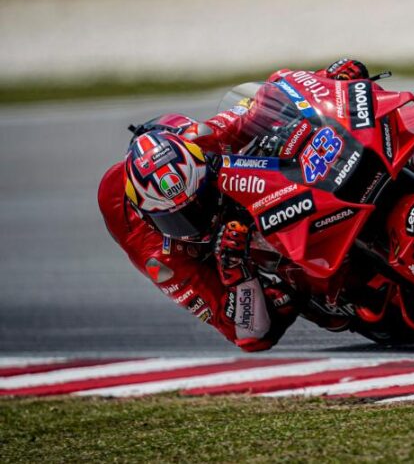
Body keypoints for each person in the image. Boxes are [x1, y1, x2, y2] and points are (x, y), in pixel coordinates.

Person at [97, 58, 370, 351]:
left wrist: (327, 79)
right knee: (281, 304)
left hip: (192, 150)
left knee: (282, 134)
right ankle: (315, 292)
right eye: (180, 219)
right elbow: (246, 334)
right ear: (150, 217)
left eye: (199, 204)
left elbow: (263, 102)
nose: (200, 221)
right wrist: (237, 273)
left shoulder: (202, 140)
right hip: (195, 253)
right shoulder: (159, 257)